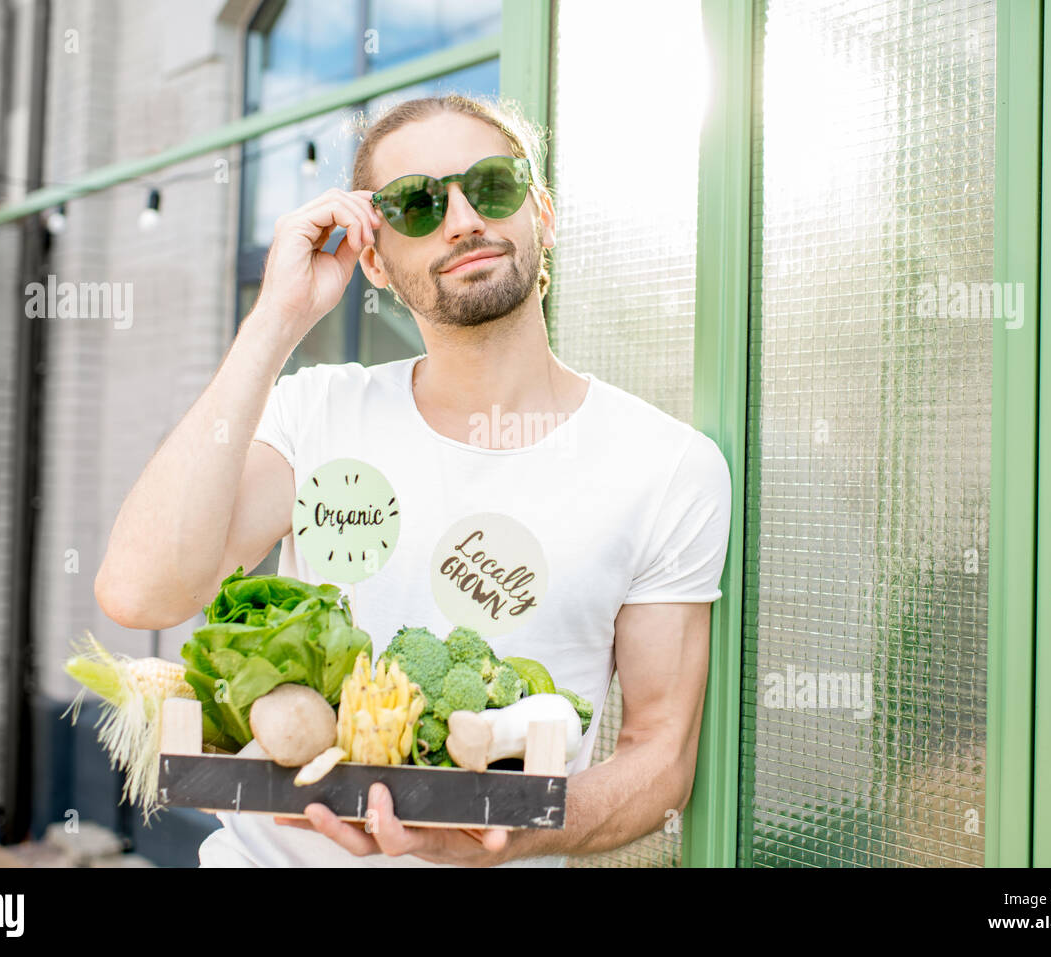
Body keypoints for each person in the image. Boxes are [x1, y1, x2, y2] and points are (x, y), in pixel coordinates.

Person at [94, 94, 732, 867]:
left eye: (492, 185)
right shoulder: (315, 412)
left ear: (543, 214)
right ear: (374, 261)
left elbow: (660, 760)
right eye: (417, 205)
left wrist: (504, 837)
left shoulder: (667, 466)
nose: (462, 219)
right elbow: (141, 592)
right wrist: (275, 321)